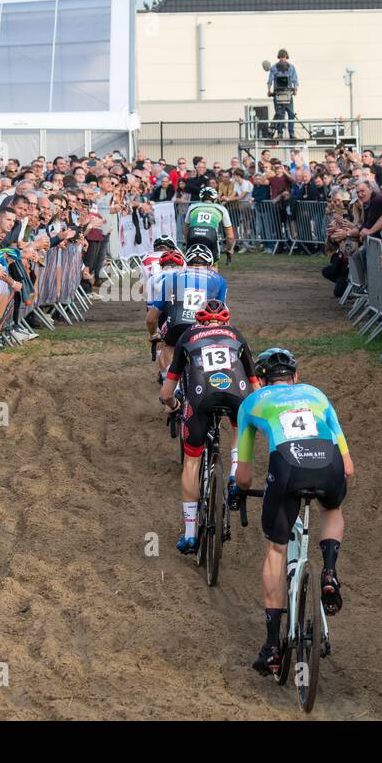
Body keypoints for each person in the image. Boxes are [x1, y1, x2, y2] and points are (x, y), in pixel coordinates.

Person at [234, 348, 353, 676]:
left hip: (287, 467)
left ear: (259, 380)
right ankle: (329, 571)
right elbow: (349, 467)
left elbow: (243, 476)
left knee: (276, 548)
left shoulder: (252, 403)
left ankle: (273, 646)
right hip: (328, 464)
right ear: (296, 377)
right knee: (332, 509)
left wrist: (240, 491)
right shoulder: (316, 394)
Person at [157, 299, 258, 555]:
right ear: (225, 321)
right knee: (239, 425)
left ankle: (190, 534)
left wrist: (172, 403)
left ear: (199, 320)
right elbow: (256, 386)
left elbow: (167, 391)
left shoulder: (188, 336)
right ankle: (235, 472)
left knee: (191, 462)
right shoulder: (236, 334)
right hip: (238, 395)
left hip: (200, 399)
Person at [146, 244, 228, 378]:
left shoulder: (172, 277)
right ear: (210, 263)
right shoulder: (220, 280)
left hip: (177, 325)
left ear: (187, 261)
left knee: (169, 346)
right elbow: (222, 311)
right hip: (203, 325)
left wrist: (154, 335)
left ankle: (170, 383)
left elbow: (151, 318)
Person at [183, 186, 235, 263]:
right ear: (215, 199)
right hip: (211, 236)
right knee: (213, 263)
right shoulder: (221, 209)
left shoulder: (192, 207)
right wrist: (229, 249)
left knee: (191, 262)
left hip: (193, 235)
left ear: (201, 198)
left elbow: (185, 229)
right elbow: (230, 236)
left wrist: (189, 242)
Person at [266, 49, 298, 140]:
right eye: (281, 57)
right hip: (277, 93)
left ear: (286, 57)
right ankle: (280, 133)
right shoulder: (273, 68)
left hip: (288, 93)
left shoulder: (291, 67)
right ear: (278, 57)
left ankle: (291, 133)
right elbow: (270, 80)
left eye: (284, 57)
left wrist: (295, 90)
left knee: (291, 114)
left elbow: (295, 80)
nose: (282, 59)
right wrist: (269, 90)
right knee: (279, 114)